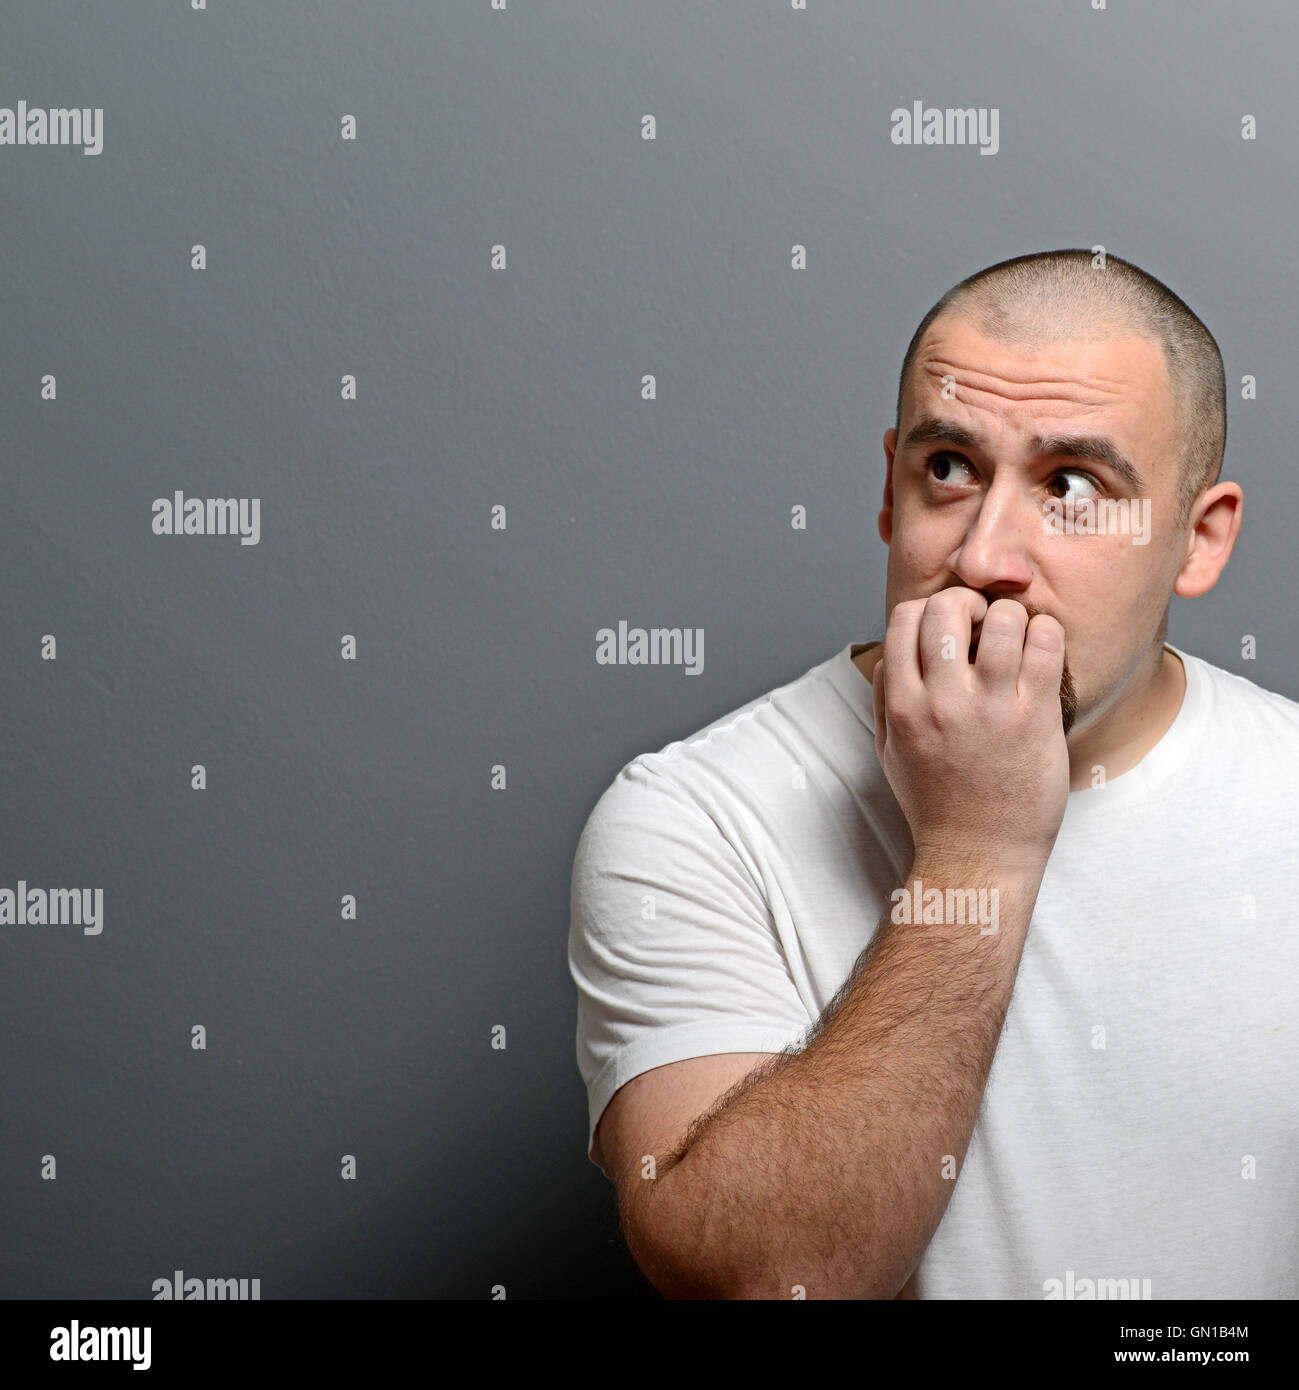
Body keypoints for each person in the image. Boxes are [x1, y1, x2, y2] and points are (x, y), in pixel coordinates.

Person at [568, 248, 1299, 1299]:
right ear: (888, 490)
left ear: (1197, 537)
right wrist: (979, 848)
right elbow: (767, 1278)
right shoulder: (693, 818)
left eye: (1073, 486)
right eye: (949, 467)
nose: (987, 555)